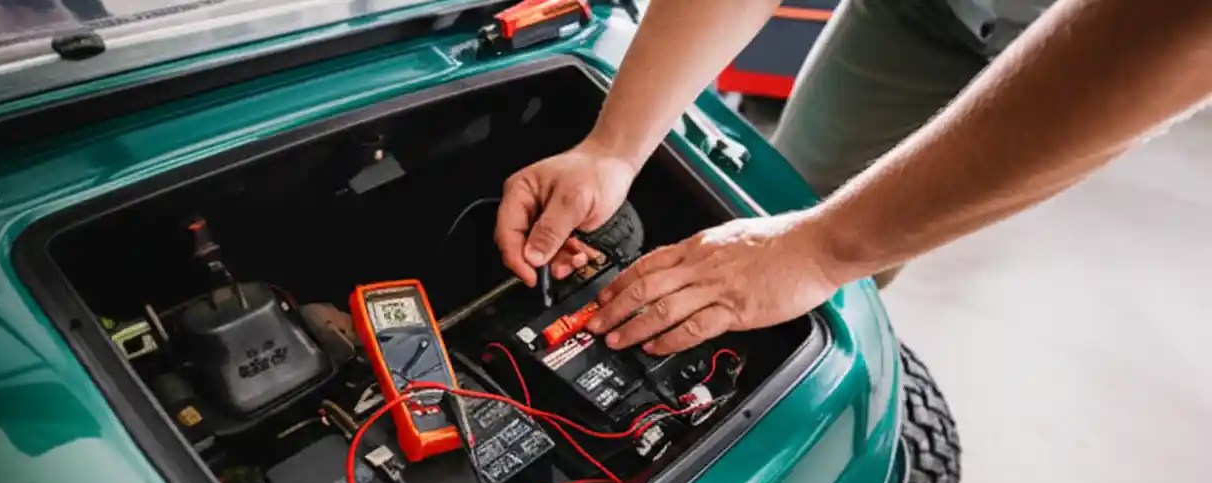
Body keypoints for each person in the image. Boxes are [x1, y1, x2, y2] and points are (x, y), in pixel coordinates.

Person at [493, 0, 1211, 356]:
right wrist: (616, 146)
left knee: (818, 261)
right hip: (925, 13)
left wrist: (821, 251)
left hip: (1117, 30)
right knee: (784, 216)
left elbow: (1180, 35)